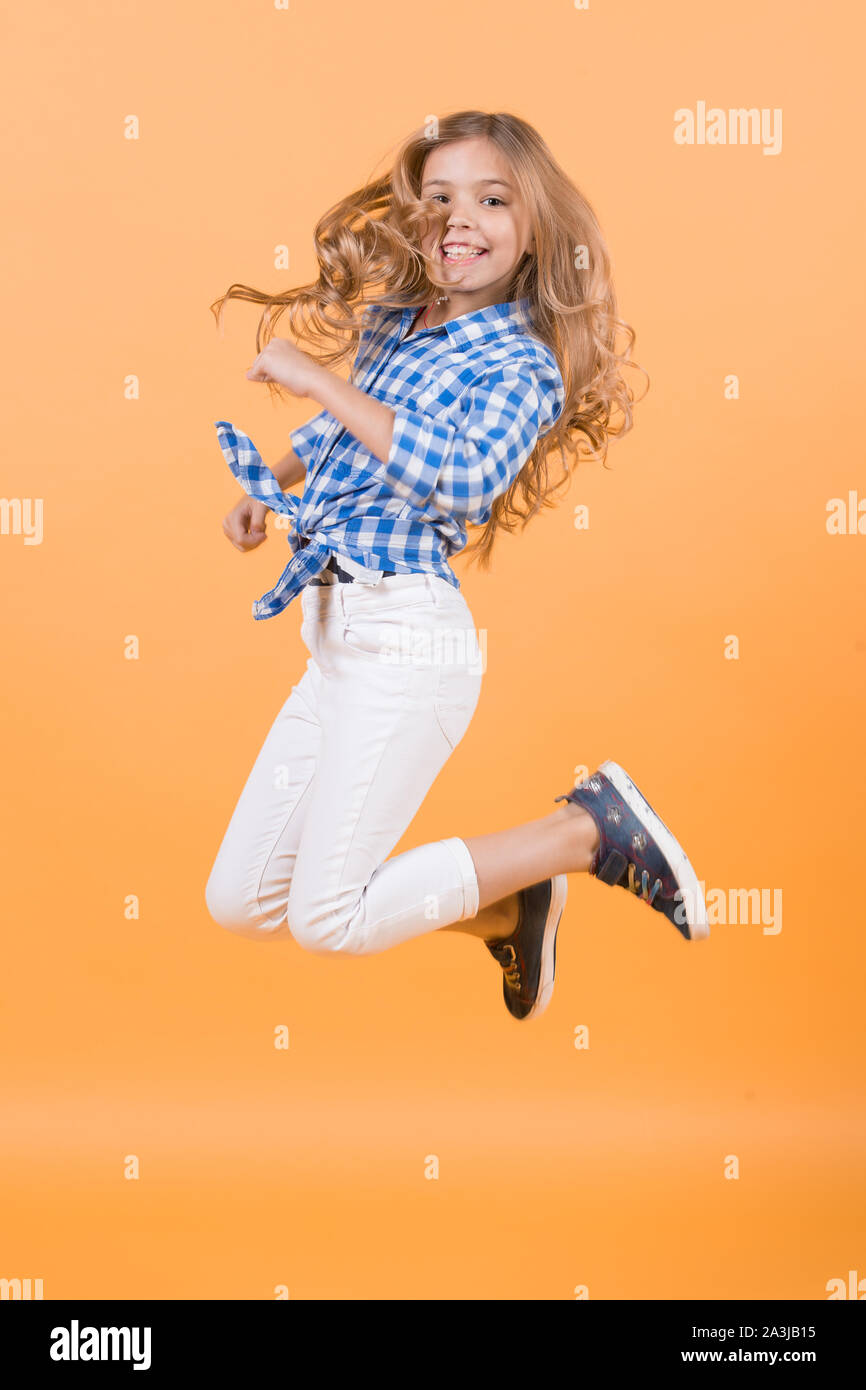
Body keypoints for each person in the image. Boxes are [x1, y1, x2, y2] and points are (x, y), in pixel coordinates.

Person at [205, 110, 709, 1024]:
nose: (458, 219)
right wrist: (271, 482)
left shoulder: (523, 364)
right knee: (241, 903)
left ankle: (581, 829)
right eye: (438, 198)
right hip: (335, 640)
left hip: (407, 646)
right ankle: (509, 908)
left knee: (328, 920)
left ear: (534, 228)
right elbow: (341, 429)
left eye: (491, 199)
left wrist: (320, 378)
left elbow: (466, 479)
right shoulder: (403, 320)